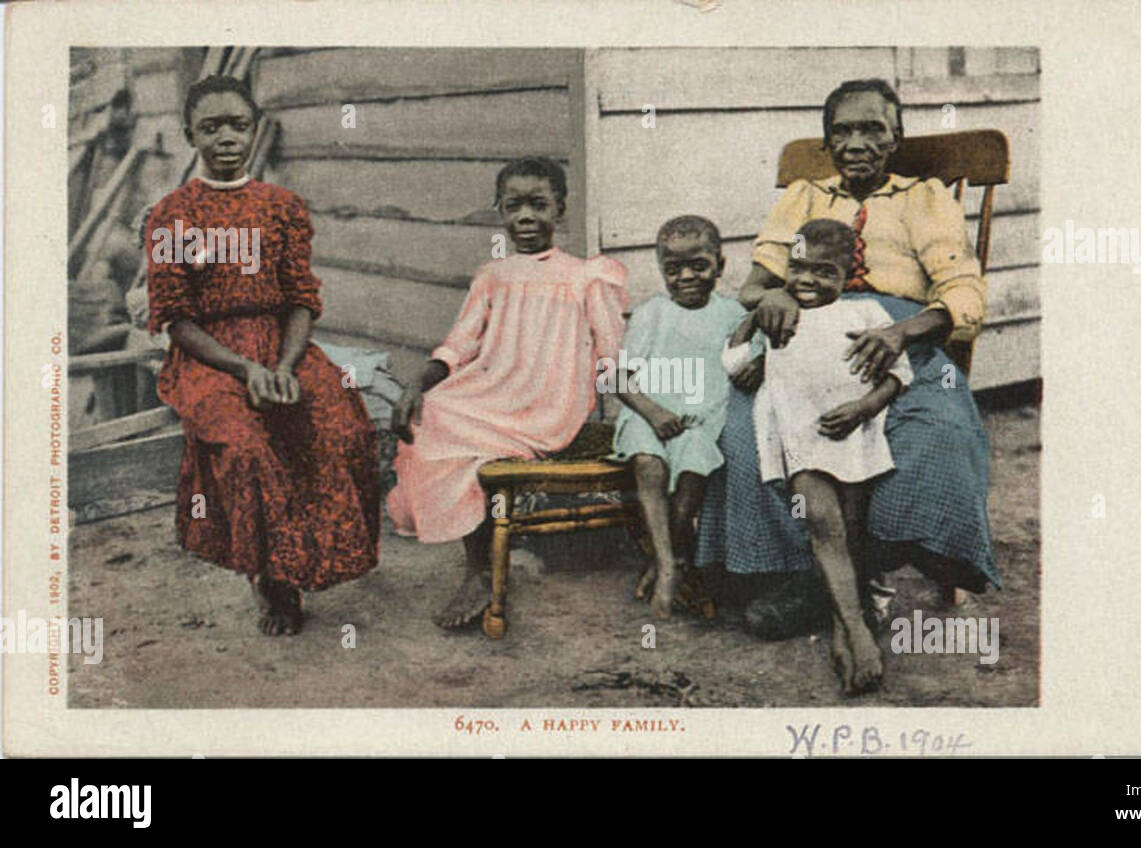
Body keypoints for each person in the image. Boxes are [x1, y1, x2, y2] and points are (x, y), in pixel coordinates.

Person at [698, 78, 1000, 639]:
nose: (856, 142)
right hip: (801, 343)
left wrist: (901, 332)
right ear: (827, 140)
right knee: (744, 433)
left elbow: (964, 297)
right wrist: (781, 294)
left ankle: (844, 578)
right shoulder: (806, 198)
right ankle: (810, 573)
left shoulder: (924, 199)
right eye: (842, 131)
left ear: (896, 138)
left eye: (872, 129)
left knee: (935, 432)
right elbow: (753, 287)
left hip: (898, 341)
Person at [146, 75, 380, 636]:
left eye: (238, 124)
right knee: (247, 445)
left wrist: (282, 366)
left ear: (254, 130)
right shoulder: (170, 215)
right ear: (190, 136)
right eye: (211, 127)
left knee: (338, 424)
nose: (227, 137)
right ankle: (272, 580)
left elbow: (301, 299)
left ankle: (317, 556)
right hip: (210, 356)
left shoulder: (283, 208)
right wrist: (244, 369)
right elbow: (176, 320)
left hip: (285, 346)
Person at [388, 157, 629, 630]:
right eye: (514, 205)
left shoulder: (586, 275)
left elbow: (610, 350)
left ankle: (482, 567)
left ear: (561, 208)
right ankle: (478, 570)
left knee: (463, 436)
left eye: (539, 205)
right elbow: (460, 343)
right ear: (499, 210)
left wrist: (628, 408)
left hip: (548, 403)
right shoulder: (493, 276)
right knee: (432, 414)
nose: (526, 217)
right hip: (496, 391)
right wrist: (419, 384)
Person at [724, 219, 911, 692]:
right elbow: (733, 360)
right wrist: (757, 311)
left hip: (855, 436)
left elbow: (898, 373)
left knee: (848, 532)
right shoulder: (779, 312)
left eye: (823, 272)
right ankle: (857, 635)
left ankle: (845, 625)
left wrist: (863, 407)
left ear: (849, 275)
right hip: (800, 439)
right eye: (798, 268)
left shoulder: (865, 311)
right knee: (824, 526)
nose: (806, 280)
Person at [608, 215, 750, 618]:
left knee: (692, 466)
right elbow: (619, 378)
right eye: (673, 269)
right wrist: (653, 413)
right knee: (649, 464)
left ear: (720, 266)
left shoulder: (733, 314)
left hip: (700, 418)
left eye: (699, 266)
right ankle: (670, 564)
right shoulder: (652, 312)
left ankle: (665, 557)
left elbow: (744, 367)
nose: (686, 276)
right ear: (661, 271)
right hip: (648, 412)